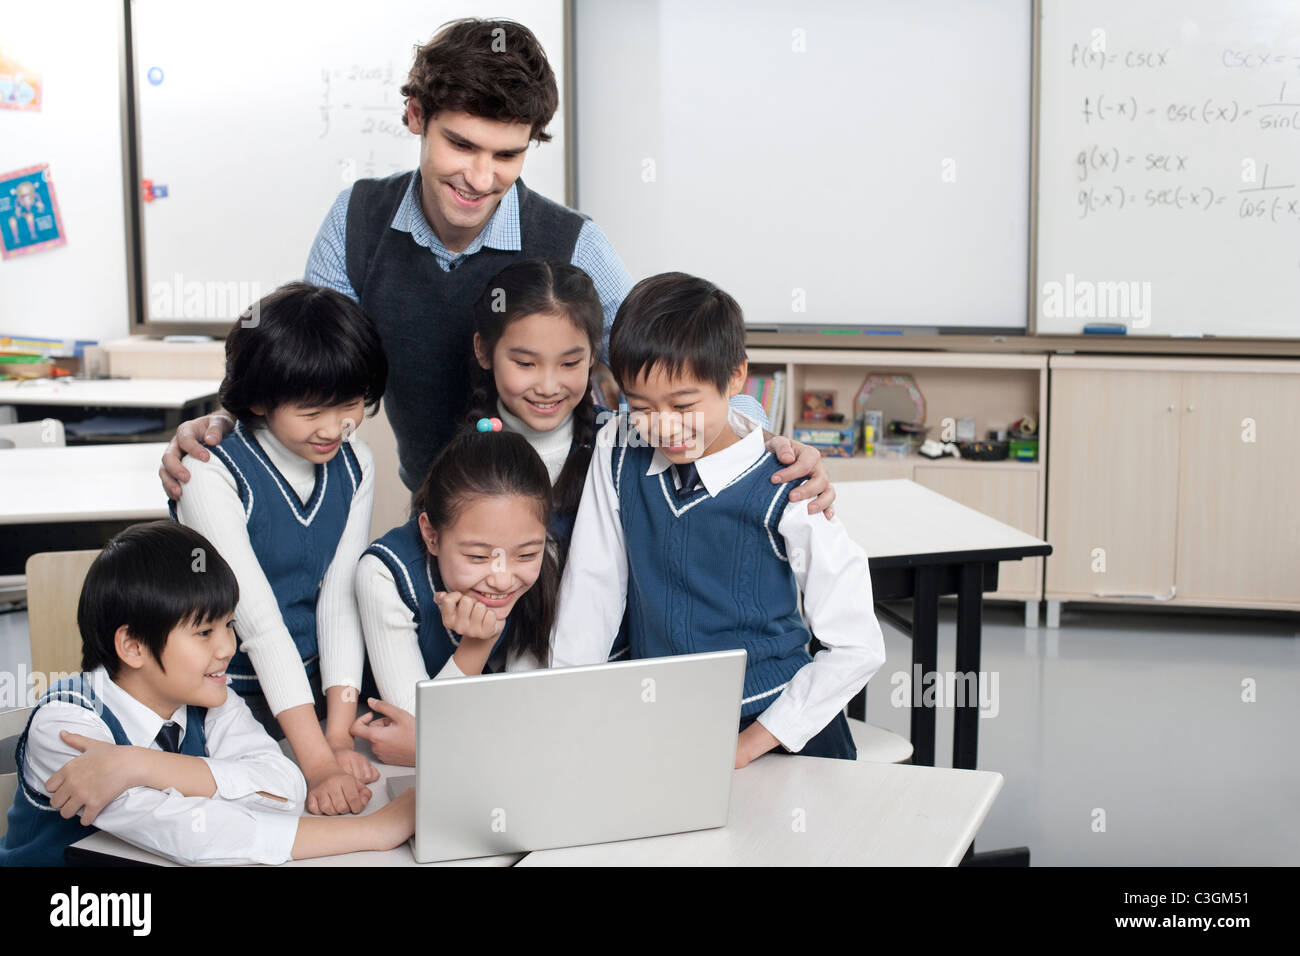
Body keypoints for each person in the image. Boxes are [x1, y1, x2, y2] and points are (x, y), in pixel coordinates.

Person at [158, 18, 836, 519]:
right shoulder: (357, 221)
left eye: (507, 156)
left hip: (575, 515)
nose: (481, 179)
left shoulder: (574, 243)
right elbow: (309, 369)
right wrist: (228, 427)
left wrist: (762, 440)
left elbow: (664, 367)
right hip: (444, 515)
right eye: (461, 144)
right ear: (415, 116)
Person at [551, 273, 887, 767]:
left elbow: (858, 646)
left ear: (735, 377)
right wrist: (568, 711)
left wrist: (746, 746)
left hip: (775, 729)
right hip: (663, 717)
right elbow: (593, 589)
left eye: (683, 404)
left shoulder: (790, 485)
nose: (662, 425)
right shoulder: (617, 448)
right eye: (640, 406)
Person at [0, 523, 414, 866]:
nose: (227, 648)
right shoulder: (67, 725)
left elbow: (285, 790)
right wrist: (373, 830)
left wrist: (140, 764)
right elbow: (191, 834)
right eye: (204, 632)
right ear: (132, 646)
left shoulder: (207, 696)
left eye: (229, 624)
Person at [172, 282, 386, 814]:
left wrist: (337, 737)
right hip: (223, 697)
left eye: (352, 405)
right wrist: (318, 765)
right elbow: (259, 623)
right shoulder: (211, 472)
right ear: (260, 399)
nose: (336, 427)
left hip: (311, 695)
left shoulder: (355, 463)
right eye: (313, 411)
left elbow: (340, 600)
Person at [352, 428, 558, 766]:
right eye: (477, 557)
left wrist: (429, 750)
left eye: (525, 555)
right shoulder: (384, 574)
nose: (503, 579)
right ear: (431, 535)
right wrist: (476, 644)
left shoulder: (546, 557)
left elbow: (526, 713)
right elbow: (418, 720)